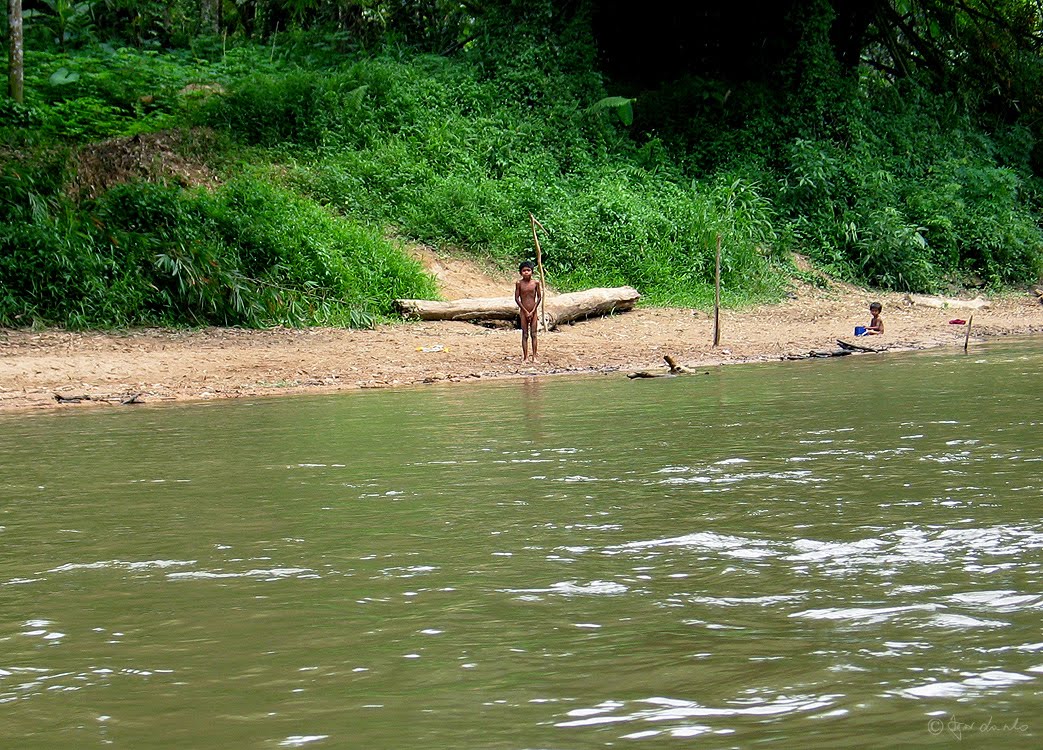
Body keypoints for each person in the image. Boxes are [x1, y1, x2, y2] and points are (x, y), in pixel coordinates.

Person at [514, 260, 542, 361]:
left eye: (528, 270)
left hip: (533, 311)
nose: (526, 272)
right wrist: (525, 311)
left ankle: (534, 356)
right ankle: (525, 357)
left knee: (534, 334)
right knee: (525, 334)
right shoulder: (519, 283)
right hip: (523, 311)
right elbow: (517, 298)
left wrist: (533, 310)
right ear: (520, 272)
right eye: (524, 270)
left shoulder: (536, 283)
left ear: (532, 272)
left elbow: (539, 297)